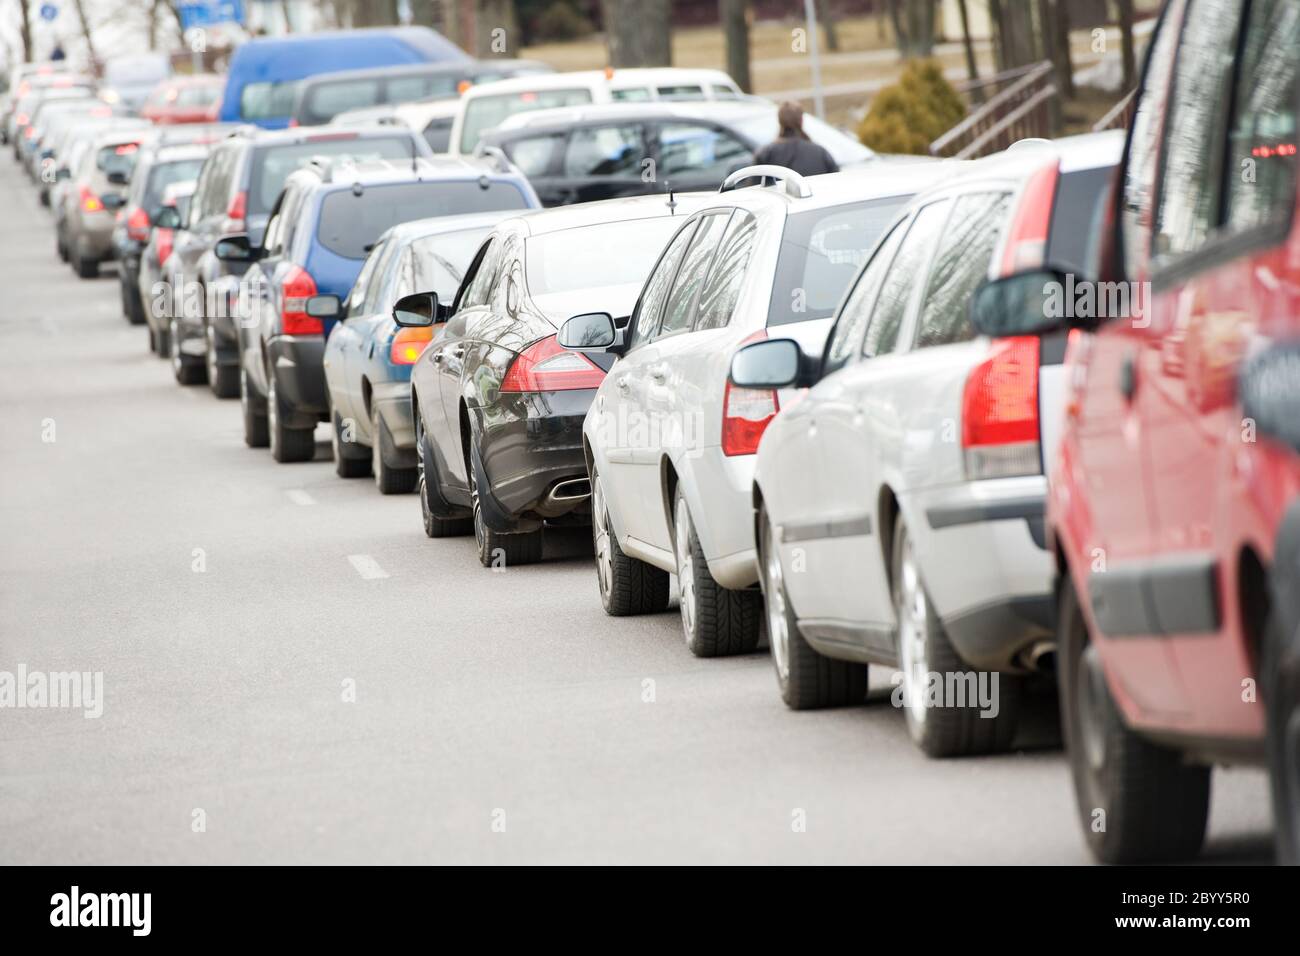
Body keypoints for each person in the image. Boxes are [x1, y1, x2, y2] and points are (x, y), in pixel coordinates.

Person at [753, 101, 839, 177]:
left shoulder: (766, 154)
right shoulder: (820, 152)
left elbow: (753, 189)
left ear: (779, 121)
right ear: (801, 120)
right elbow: (836, 182)